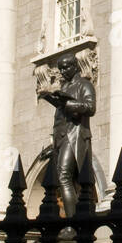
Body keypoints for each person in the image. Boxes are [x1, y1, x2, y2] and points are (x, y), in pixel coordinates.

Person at [38, 53, 96, 216]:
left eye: (65, 67)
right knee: (67, 179)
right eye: (60, 68)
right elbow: (60, 119)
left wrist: (68, 103)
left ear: (75, 66)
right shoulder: (64, 88)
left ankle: (73, 221)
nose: (62, 71)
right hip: (61, 138)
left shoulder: (84, 84)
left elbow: (90, 107)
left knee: (64, 176)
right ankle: (75, 217)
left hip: (75, 136)